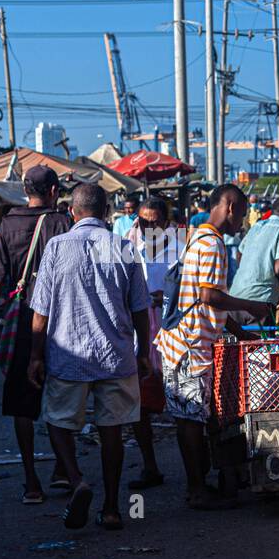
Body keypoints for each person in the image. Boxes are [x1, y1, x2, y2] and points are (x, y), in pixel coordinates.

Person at [25, 182, 151, 531]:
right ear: (107, 212)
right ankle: (111, 508)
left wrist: (35, 356)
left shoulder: (57, 247)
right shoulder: (124, 246)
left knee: (57, 420)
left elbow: (40, 311)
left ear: (72, 212)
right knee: (112, 430)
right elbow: (141, 308)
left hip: (70, 355)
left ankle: (78, 479)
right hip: (116, 354)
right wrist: (146, 352)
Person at [155, 184, 272, 509]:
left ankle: (200, 482)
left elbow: (204, 299)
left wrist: (239, 331)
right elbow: (209, 296)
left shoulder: (197, 235)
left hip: (187, 339)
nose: (243, 222)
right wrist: (249, 305)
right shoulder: (212, 244)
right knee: (190, 418)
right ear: (231, 207)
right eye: (244, 214)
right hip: (189, 344)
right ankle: (196, 490)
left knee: (190, 416)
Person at [0, 165, 73, 504]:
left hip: (23, 320)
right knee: (60, 396)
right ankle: (64, 469)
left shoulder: (7, 224)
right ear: (53, 191)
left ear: (26, 190)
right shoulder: (63, 222)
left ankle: (32, 482)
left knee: (23, 402)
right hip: (61, 322)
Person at [127, 196, 184, 489]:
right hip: (142, 337)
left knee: (187, 404)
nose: (148, 226)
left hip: (175, 333)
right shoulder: (130, 248)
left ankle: (197, 472)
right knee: (141, 406)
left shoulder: (181, 247)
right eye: (143, 221)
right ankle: (150, 466)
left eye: (154, 221)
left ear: (165, 221)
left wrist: (167, 298)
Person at [228, 193, 279, 321]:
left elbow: (239, 253)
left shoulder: (258, 226)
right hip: (259, 303)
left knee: (237, 341)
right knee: (259, 341)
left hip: (235, 297)